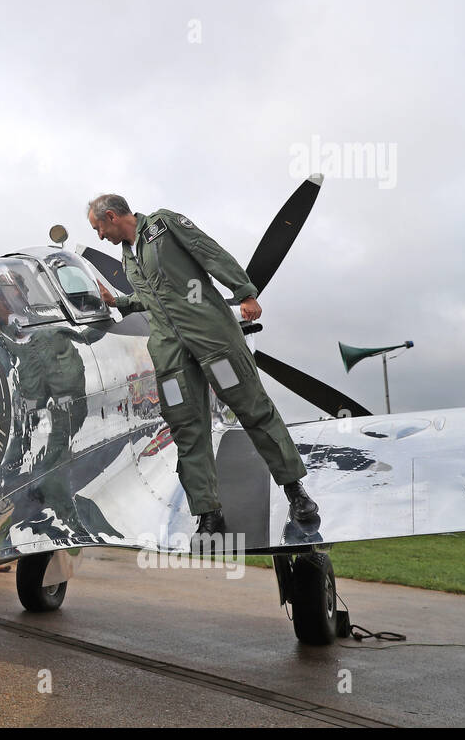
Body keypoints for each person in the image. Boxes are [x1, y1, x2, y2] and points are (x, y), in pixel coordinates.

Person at [86, 193, 318, 537]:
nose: (99, 237)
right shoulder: (128, 257)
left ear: (111, 216)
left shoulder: (163, 226)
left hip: (212, 340)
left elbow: (207, 251)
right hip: (171, 354)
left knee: (252, 408)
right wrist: (118, 301)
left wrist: (243, 291)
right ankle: (209, 513)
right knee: (186, 428)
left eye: (98, 228)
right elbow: (151, 296)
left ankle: (295, 491)